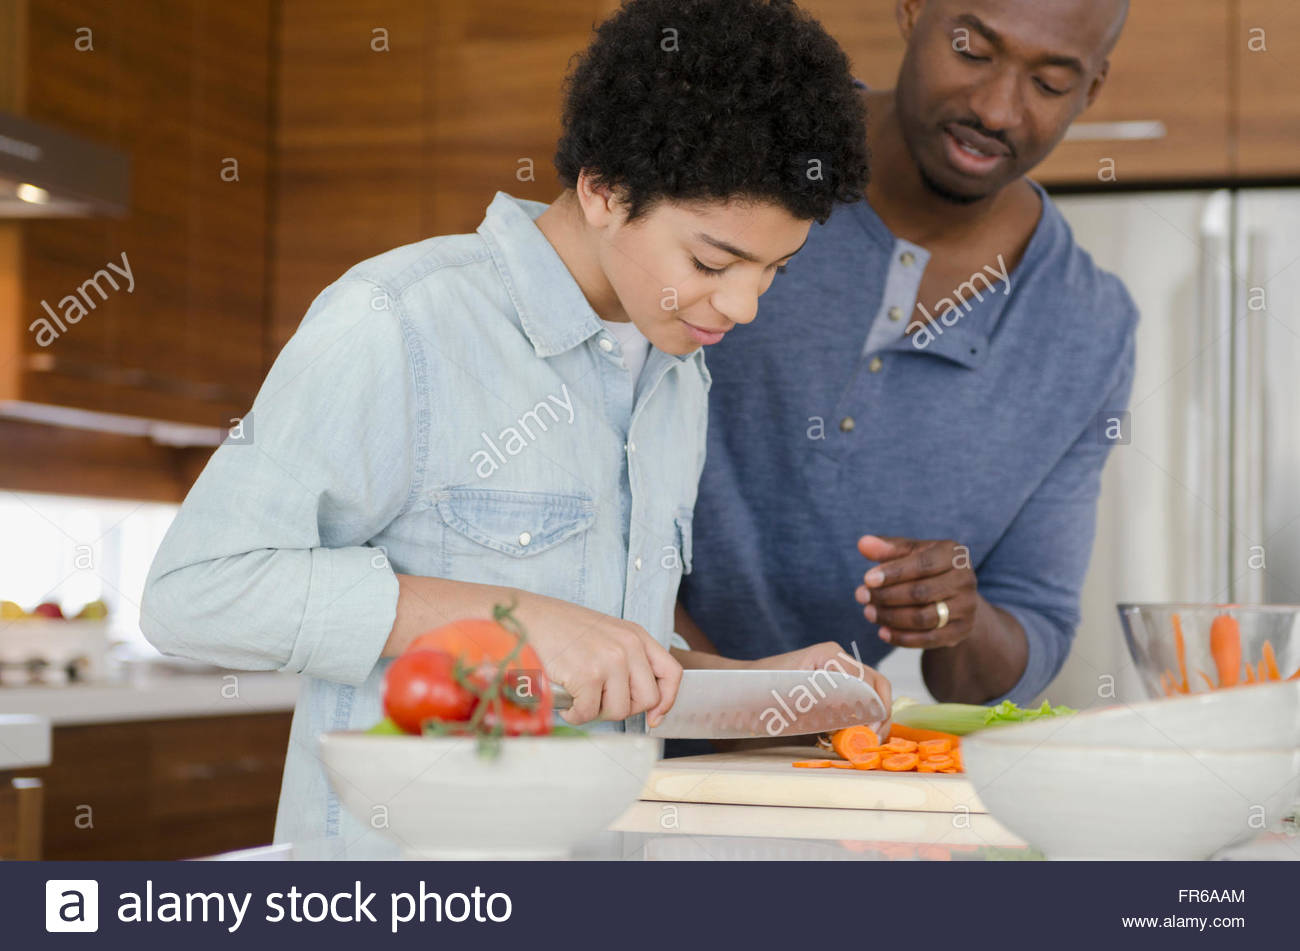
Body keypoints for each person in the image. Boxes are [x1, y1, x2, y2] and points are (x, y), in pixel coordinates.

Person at [140, 0, 884, 853]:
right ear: (604, 191)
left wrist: (756, 687)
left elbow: (600, 651)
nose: (743, 305)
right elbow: (195, 594)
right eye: (713, 262)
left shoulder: (678, 368)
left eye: (774, 271)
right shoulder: (399, 320)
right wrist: (510, 619)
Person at [677, 0, 1139, 718]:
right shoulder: (738, 147)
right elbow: (581, 467)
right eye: (972, 51)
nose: (996, 110)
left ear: (1094, 88)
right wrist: (733, 708)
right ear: (911, 10)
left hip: (810, 769)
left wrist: (958, 616)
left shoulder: (1089, 329)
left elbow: (1028, 631)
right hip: (592, 732)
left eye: (1048, 84)